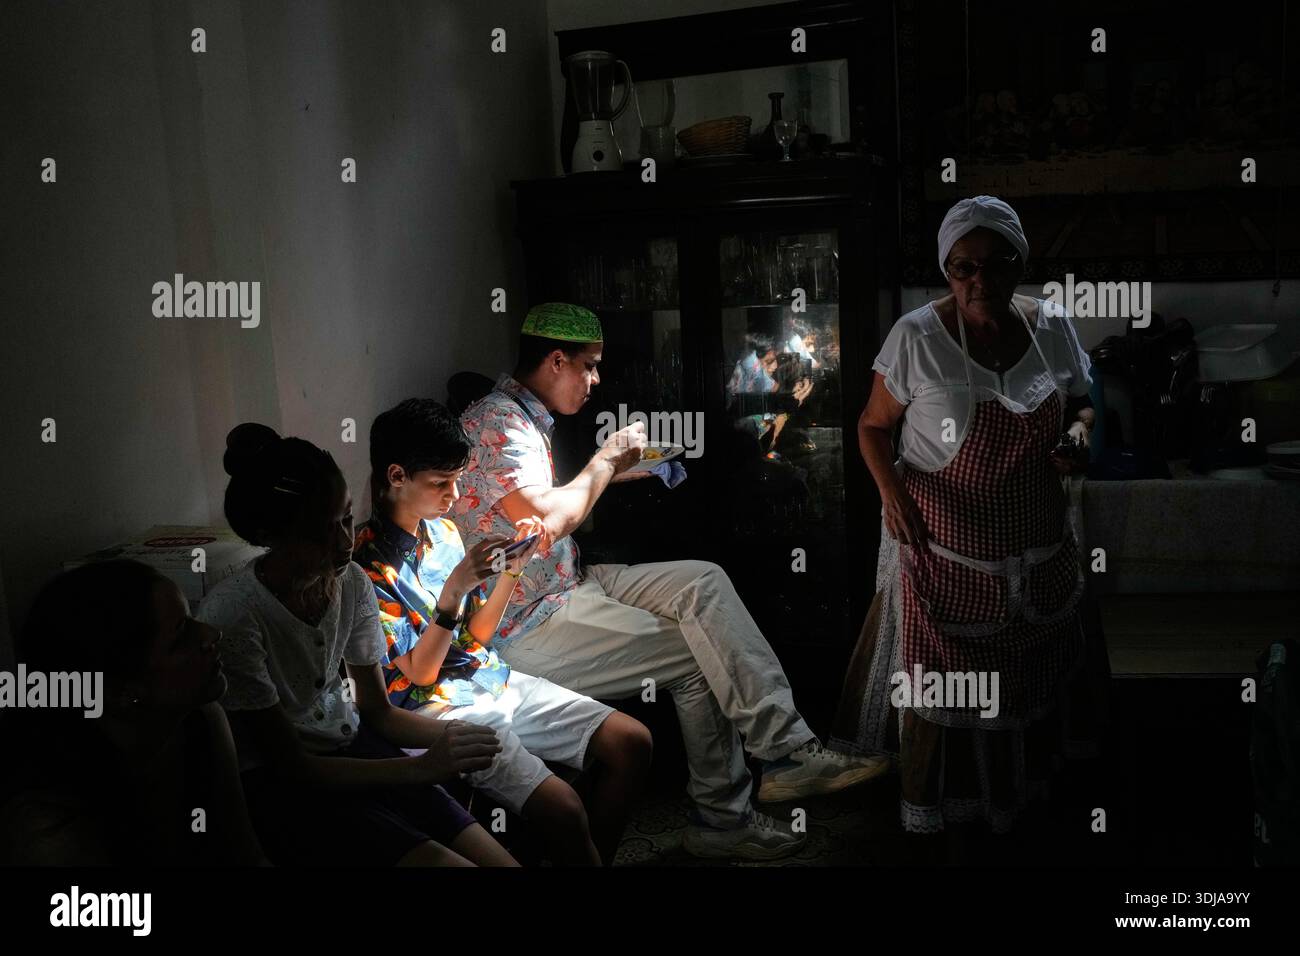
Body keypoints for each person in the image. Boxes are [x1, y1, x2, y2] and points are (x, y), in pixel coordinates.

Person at [452, 301, 889, 861]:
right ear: (556, 360)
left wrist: (614, 475)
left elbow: (545, 511)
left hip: (571, 580)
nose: (595, 379)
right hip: (526, 619)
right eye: (589, 366)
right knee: (700, 652)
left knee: (702, 583)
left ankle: (782, 755)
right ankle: (741, 802)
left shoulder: (523, 416)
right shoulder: (496, 422)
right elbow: (544, 527)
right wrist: (605, 462)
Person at [833, 195, 1103, 840]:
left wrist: (1080, 434)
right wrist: (890, 494)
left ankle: (1024, 794)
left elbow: (1084, 403)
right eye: (963, 267)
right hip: (941, 550)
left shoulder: (1051, 325)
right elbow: (872, 427)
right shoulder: (917, 336)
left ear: (1019, 262)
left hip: (1035, 543)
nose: (980, 281)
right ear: (946, 270)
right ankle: (948, 808)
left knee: (1029, 669)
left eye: (996, 263)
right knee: (945, 683)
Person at [198, 423, 515, 867]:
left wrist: (459, 736)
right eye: (322, 531)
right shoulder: (234, 617)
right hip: (288, 788)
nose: (346, 542)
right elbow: (290, 765)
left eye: (347, 519)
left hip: (354, 747)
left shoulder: (350, 584)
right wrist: (421, 768)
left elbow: (378, 711)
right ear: (274, 536)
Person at [354, 398, 652, 865]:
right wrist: (452, 593)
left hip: (490, 678)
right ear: (396, 477)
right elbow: (420, 674)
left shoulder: (445, 534)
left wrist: (514, 569)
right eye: (441, 483)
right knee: (566, 809)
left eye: (456, 479)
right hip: (438, 707)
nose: (454, 494)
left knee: (632, 741)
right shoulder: (365, 566)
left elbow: (477, 639)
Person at [0, 560, 266, 865]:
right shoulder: (49, 833)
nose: (210, 633)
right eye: (181, 637)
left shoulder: (201, 721)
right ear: (120, 693)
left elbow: (247, 857)